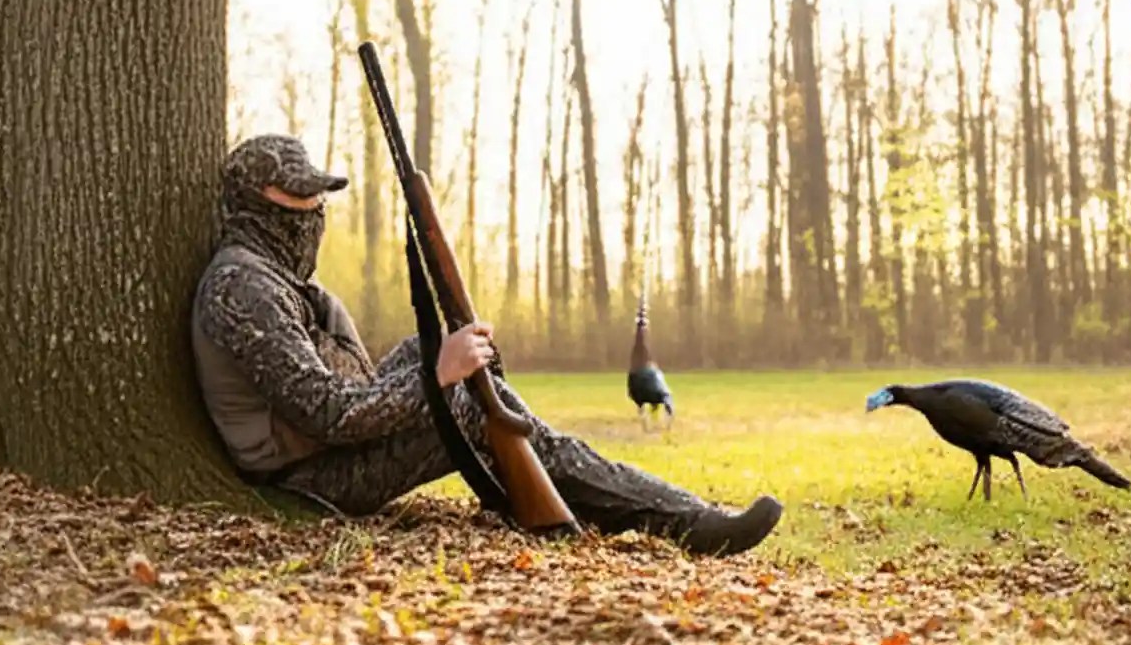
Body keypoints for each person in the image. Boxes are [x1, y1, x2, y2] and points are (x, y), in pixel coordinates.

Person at [191, 134, 783, 556]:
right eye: (297, 198)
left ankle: (623, 499)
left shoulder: (278, 277)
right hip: (311, 482)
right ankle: (683, 521)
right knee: (468, 401)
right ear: (256, 204)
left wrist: (449, 357)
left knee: (456, 370)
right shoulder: (243, 287)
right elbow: (328, 413)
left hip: (331, 450)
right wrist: (438, 376)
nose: (314, 210)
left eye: (317, 198)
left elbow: (354, 386)